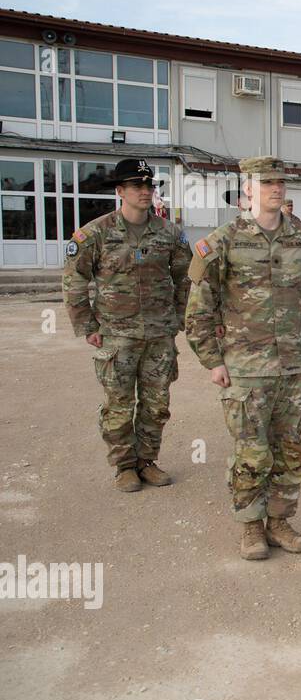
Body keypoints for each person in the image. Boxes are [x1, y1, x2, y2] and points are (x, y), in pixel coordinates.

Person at [185, 156, 301, 560]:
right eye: (266, 183)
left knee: (290, 449)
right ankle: (251, 526)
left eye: (281, 182)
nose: (276, 189)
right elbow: (199, 305)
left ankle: (281, 522)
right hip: (246, 369)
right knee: (251, 452)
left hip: (293, 366)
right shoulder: (223, 240)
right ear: (247, 189)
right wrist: (212, 359)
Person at [63, 159, 192, 492]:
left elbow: (187, 279)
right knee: (119, 404)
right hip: (116, 335)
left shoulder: (170, 234)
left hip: (159, 335)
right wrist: (86, 324)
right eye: (138, 187)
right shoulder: (96, 233)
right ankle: (123, 466)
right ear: (120, 192)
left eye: (149, 187)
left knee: (156, 404)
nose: (146, 192)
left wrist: (179, 317)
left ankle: (147, 461)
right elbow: (74, 280)